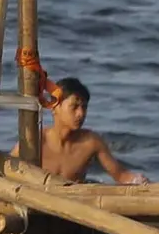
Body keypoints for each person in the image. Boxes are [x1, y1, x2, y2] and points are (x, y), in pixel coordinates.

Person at [18, 49, 148, 184]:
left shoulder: (90, 142)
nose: (81, 114)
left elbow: (121, 176)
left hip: (73, 200)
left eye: (84, 107)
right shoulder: (36, 140)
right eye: (74, 107)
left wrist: (137, 180)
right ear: (54, 106)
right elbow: (7, 169)